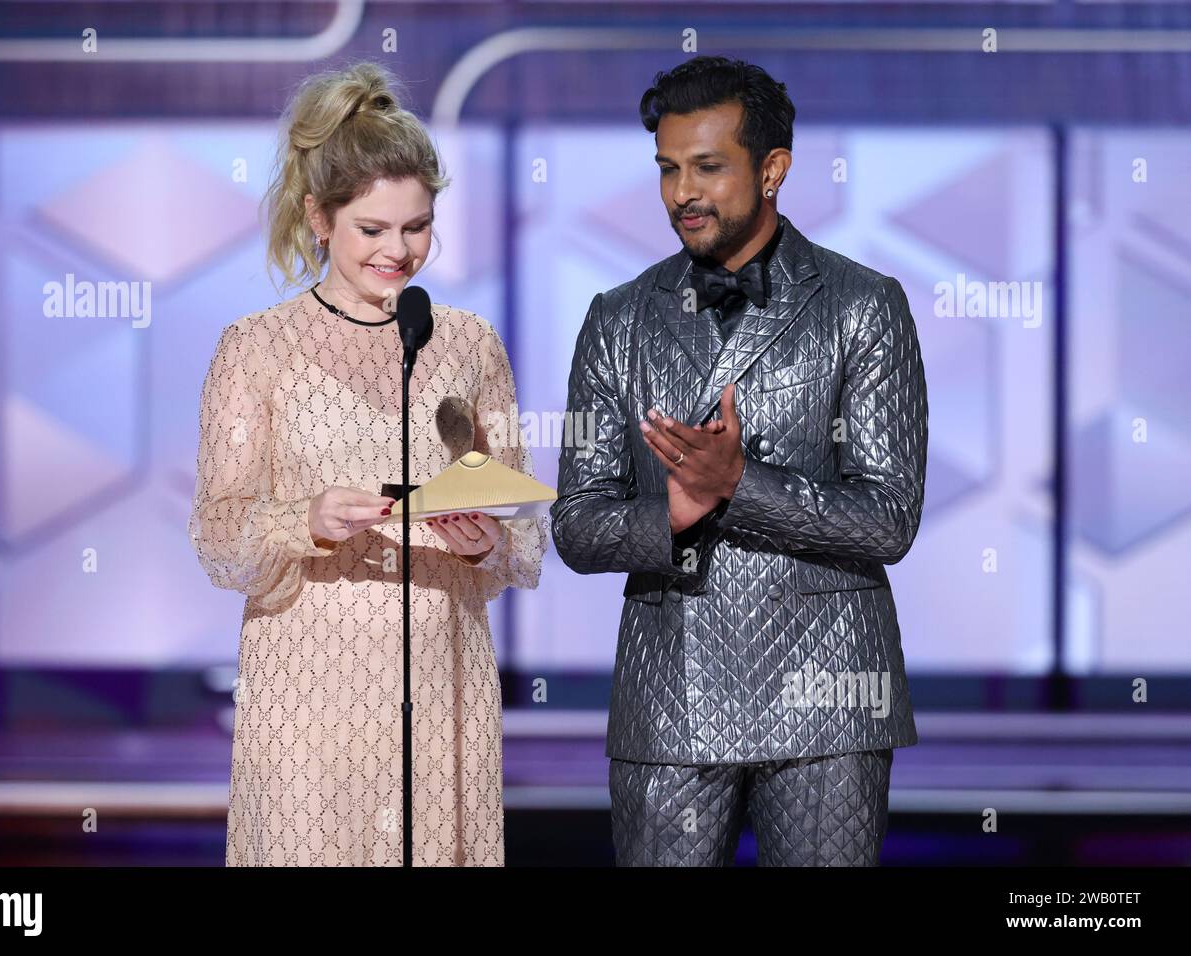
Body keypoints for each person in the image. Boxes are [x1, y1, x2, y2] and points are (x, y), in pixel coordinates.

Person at [551, 55, 929, 866]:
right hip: (669, 696)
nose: (682, 192)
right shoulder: (617, 320)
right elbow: (577, 526)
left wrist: (738, 487)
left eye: (708, 167)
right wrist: (673, 515)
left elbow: (890, 518)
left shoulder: (864, 306)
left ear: (774, 170)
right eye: (668, 169)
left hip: (830, 695)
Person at [188, 61, 547, 866]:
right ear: (319, 217)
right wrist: (305, 519)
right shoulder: (255, 350)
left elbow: (519, 522)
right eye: (373, 230)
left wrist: (488, 537)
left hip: (442, 675)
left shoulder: (466, 343)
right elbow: (218, 533)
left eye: (417, 226)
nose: (399, 250)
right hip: (308, 685)